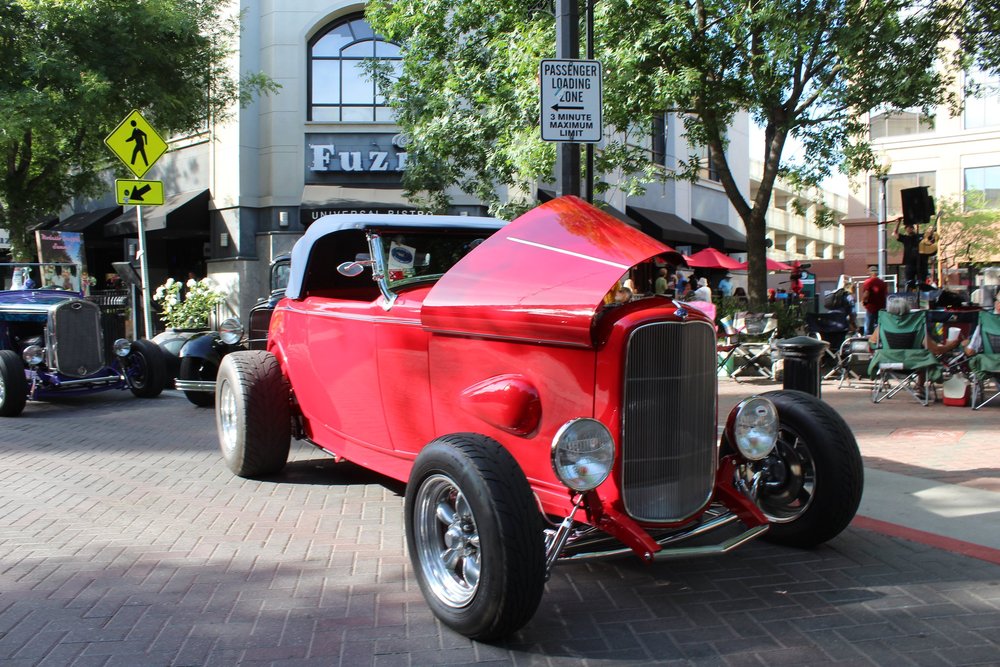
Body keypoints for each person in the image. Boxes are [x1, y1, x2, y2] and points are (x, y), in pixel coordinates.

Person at [870, 298, 961, 392]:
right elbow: (935, 350)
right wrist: (951, 345)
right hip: (914, 364)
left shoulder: (883, 325)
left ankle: (883, 385)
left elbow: (872, 343)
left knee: (920, 353)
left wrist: (881, 348)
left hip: (888, 363)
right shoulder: (916, 323)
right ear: (907, 310)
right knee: (924, 354)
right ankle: (919, 388)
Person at [894, 217, 921, 290]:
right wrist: (898, 223)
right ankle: (909, 293)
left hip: (919, 263)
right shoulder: (905, 238)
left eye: (910, 228)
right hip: (909, 263)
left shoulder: (918, 237)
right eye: (907, 228)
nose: (909, 229)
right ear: (906, 229)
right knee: (909, 281)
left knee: (920, 282)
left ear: (913, 228)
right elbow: (895, 234)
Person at [861, 265, 887, 337]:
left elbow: (866, 294)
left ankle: (868, 342)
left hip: (871, 308)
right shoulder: (882, 283)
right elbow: (885, 295)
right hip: (881, 308)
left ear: (870, 273)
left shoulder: (868, 282)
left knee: (868, 328)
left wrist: (863, 301)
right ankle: (879, 339)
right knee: (879, 326)